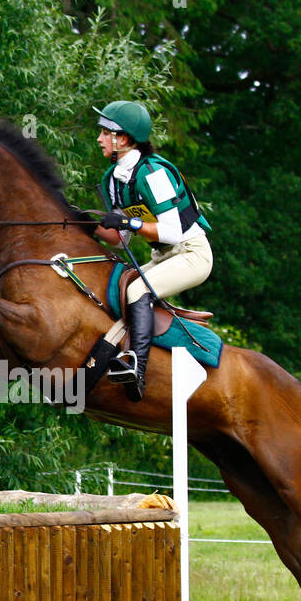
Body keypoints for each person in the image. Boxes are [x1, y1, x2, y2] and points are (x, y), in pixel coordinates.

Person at [92, 100, 212, 401]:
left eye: (106, 133)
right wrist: (84, 223)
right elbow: (120, 239)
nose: (99, 139)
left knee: (136, 292)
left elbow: (174, 231)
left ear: (124, 138)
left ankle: (136, 367)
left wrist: (129, 222)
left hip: (191, 253)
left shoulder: (154, 173)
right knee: (117, 291)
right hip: (162, 256)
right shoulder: (112, 181)